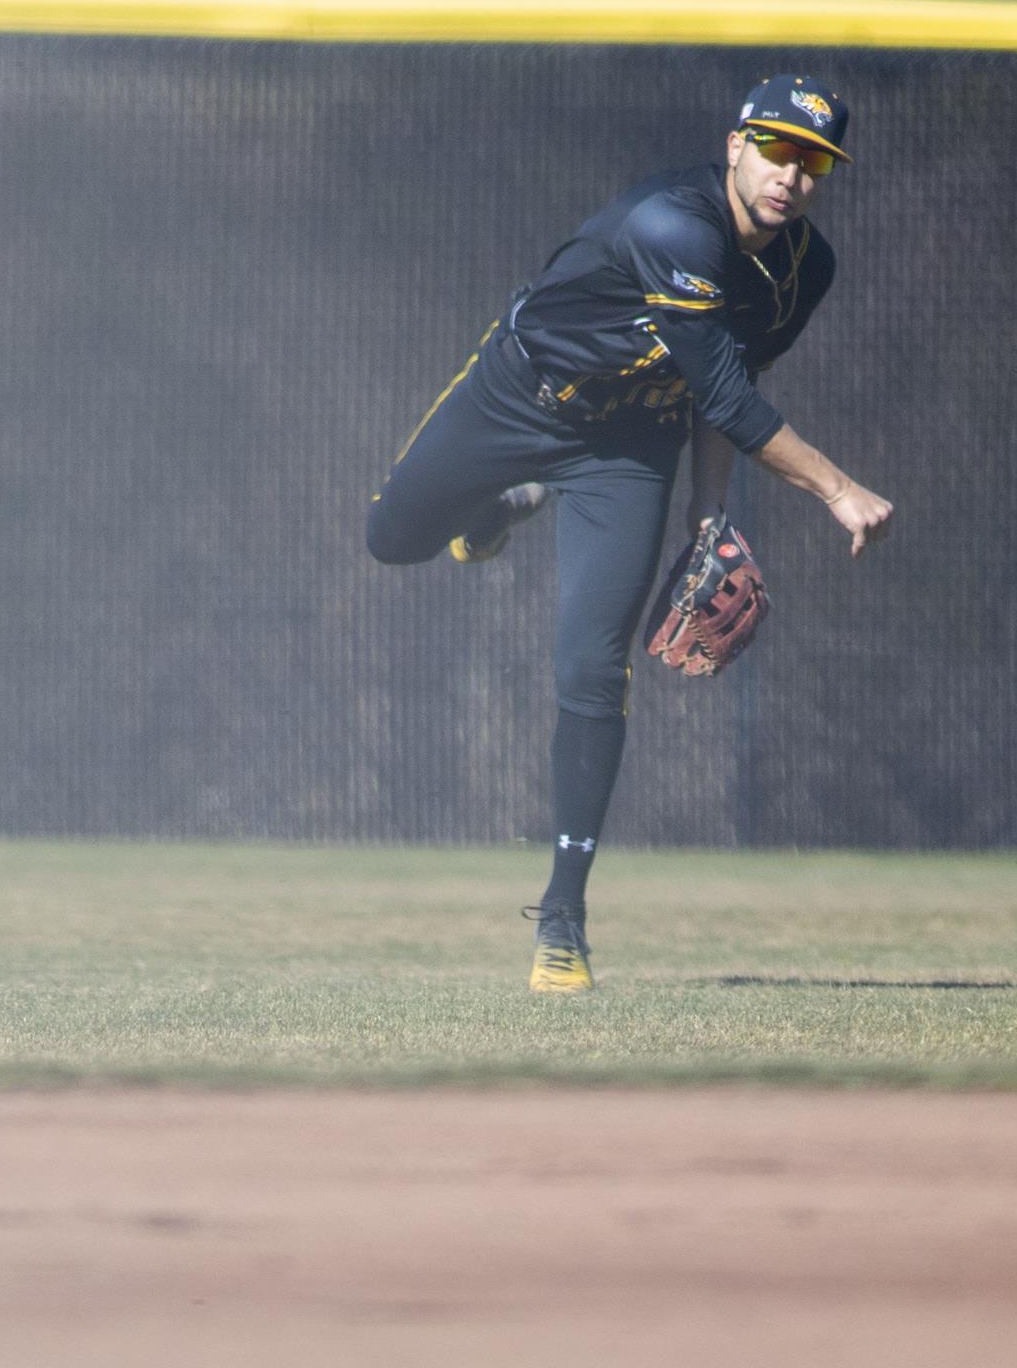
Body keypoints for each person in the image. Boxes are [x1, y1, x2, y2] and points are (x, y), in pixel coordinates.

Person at [366, 73, 893, 991]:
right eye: (776, 147)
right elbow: (730, 395)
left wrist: (707, 511)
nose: (792, 174)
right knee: (393, 539)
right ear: (735, 145)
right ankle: (503, 502)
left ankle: (562, 919)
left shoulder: (807, 269)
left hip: (628, 446)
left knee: (590, 669)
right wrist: (838, 491)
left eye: (814, 161)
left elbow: (719, 393)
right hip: (519, 400)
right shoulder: (672, 225)